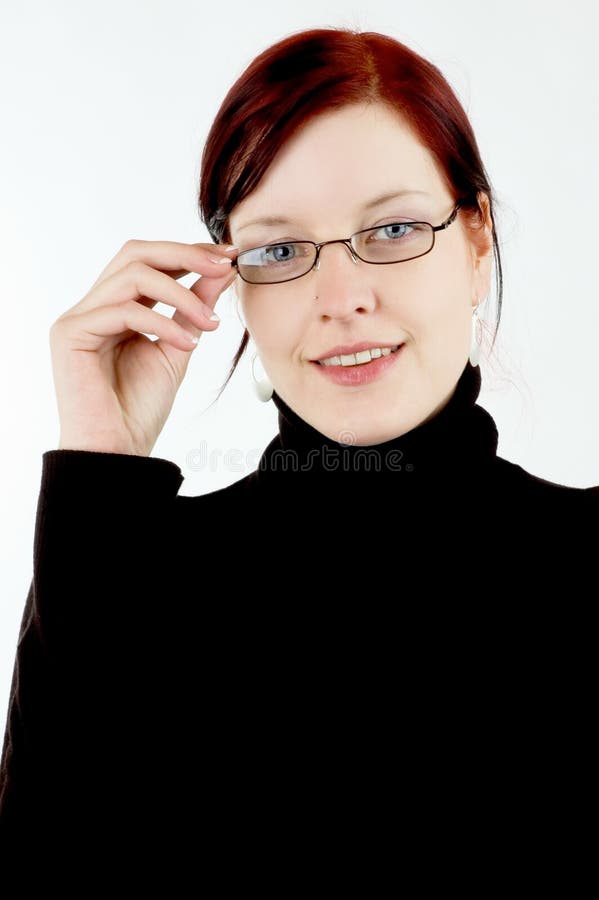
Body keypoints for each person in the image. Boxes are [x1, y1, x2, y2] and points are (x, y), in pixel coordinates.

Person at [1, 25, 597, 880]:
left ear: (475, 242)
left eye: (391, 230)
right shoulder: (137, 571)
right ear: (230, 280)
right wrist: (100, 465)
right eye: (278, 251)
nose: (341, 298)